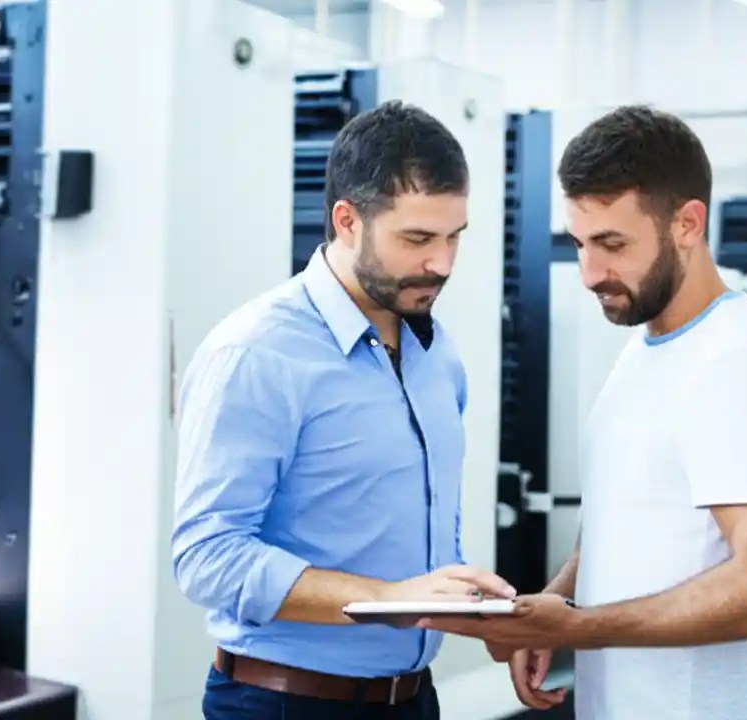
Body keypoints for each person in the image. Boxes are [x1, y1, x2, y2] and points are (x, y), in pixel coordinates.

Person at [421, 105, 747, 719]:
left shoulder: (742, 359)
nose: (589, 273)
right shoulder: (646, 347)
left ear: (688, 223)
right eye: (581, 243)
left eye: (612, 244)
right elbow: (626, 516)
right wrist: (553, 611)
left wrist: (581, 628)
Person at [170, 100, 516, 720]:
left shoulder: (437, 354)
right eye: (416, 239)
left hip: (412, 699)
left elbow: (419, 538)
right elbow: (206, 557)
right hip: (283, 704)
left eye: (453, 237)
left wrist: (483, 615)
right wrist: (386, 598)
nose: (441, 263)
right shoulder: (258, 353)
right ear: (347, 220)